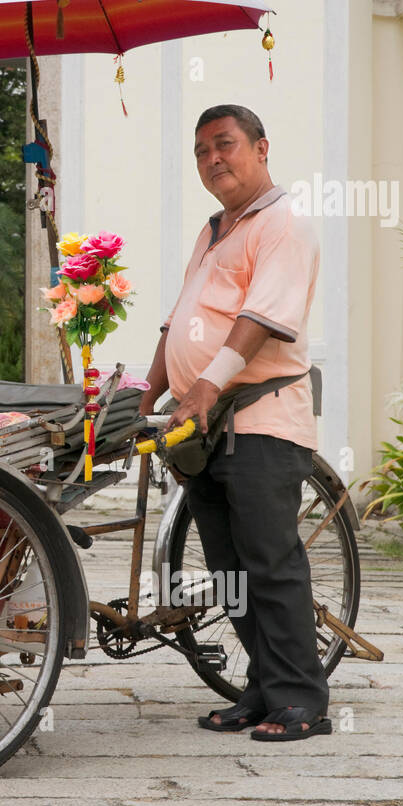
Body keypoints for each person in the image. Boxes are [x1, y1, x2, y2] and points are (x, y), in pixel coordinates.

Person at [138, 104, 331, 741]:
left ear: (261, 147)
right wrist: (145, 396)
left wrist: (204, 388)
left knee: (269, 562)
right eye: (201, 151)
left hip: (260, 418)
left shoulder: (283, 222)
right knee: (228, 569)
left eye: (225, 144)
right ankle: (263, 687)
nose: (213, 159)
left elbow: (261, 318)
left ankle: (302, 699)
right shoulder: (216, 228)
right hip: (202, 426)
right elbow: (179, 321)